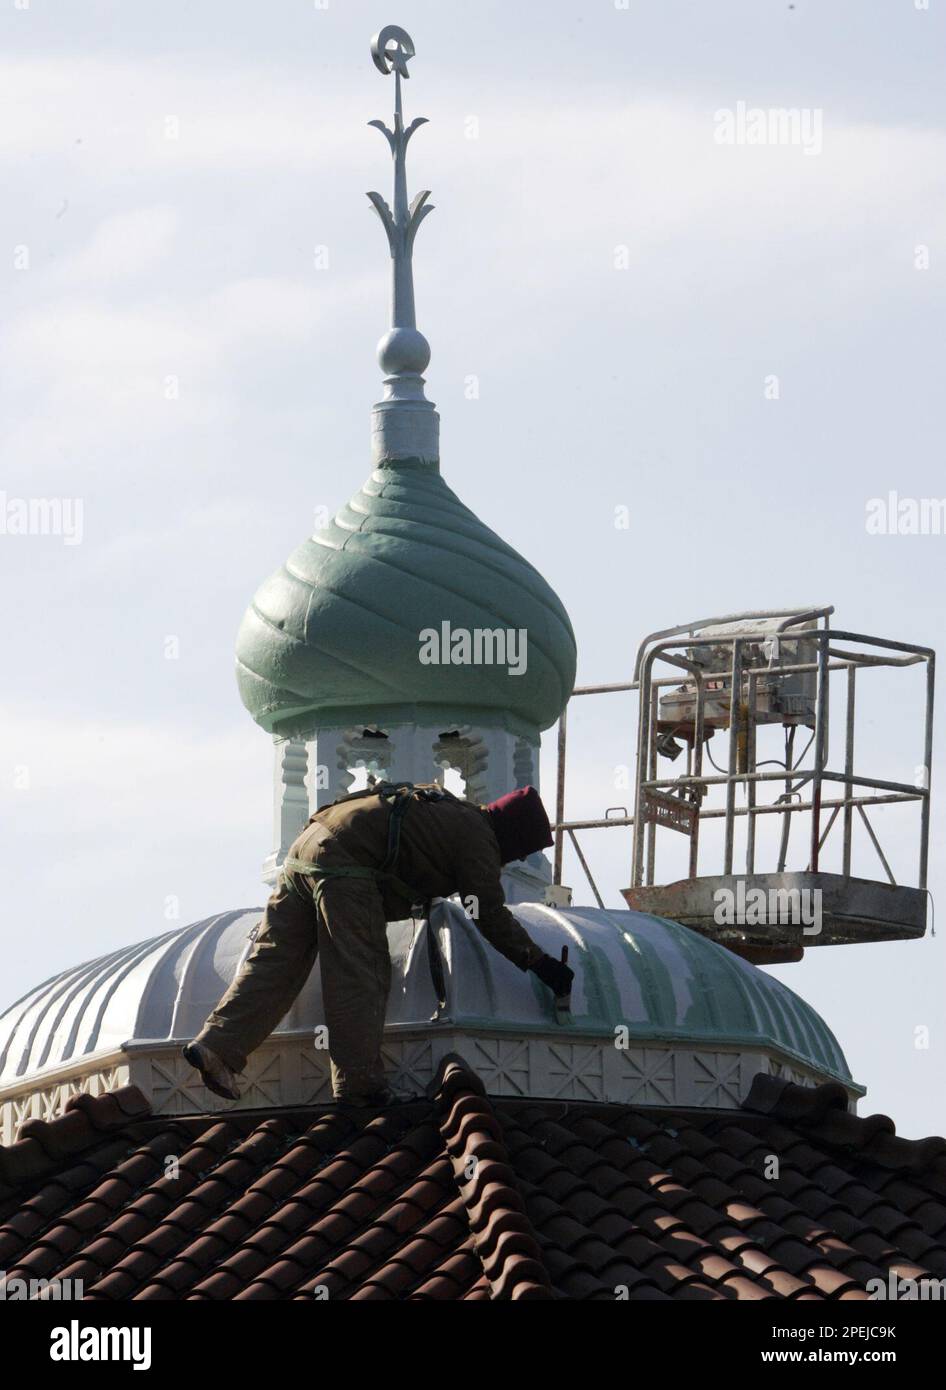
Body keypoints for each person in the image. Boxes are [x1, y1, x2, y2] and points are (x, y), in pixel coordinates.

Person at [183, 782, 573, 1106]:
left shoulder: (452, 809)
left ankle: (217, 1047)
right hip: (345, 863)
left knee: (275, 959)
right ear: (514, 838)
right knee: (361, 971)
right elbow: (486, 911)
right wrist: (540, 964)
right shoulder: (481, 838)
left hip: (305, 848)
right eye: (520, 851)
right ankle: (360, 1087)